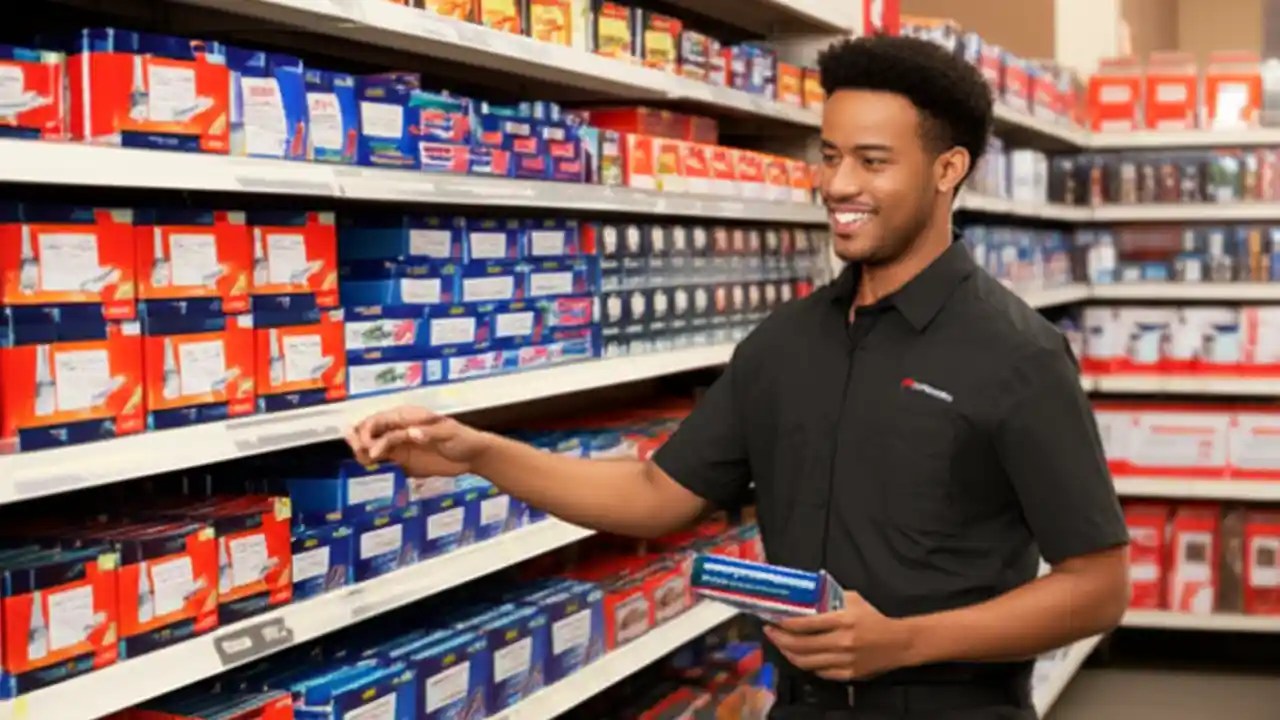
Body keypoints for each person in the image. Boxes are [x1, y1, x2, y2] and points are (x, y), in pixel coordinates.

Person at [346, 34, 1130, 720]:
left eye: (872, 160)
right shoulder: (785, 343)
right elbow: (658, 496)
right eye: (829, 155)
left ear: (947, 170)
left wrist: (904, 642)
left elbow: (1098, 584)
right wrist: (481, 453)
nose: (838, 185)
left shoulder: (1017, 354)